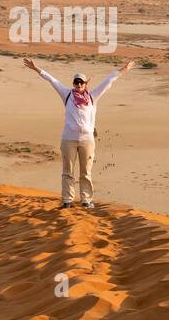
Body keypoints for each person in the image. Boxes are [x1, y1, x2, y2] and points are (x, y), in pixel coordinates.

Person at [23, 57, 136, 208]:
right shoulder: (67, 94)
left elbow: (109, 81)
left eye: (81, 82)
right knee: (67, 171)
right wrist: (36, 68)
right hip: (68, 139)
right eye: (76, 82)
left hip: (87, 140)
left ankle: (86, 200)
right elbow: (53, 80)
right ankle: (67, 200)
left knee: (86, 172)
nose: (78, 84)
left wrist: (124, 69)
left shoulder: (93, 97)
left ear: (85, 84)